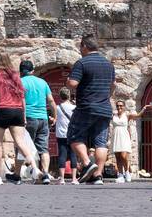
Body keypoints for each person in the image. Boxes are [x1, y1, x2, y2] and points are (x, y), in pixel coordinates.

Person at [65, 34, 118, 185]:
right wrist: (107, 96)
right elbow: (113, 85)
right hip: (105, 108)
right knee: (101, 142)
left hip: (86, 106)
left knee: (74, 136)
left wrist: (67, 82)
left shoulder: (82, 63)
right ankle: (98, 176)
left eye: (80, 47)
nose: (80, 50)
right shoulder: (109, 64)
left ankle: (88, 163)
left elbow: (73, 83)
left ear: (85, 47)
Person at [0, 51, 40, 186]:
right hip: (17, 111)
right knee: (21, 142)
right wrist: (23, 115)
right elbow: (22, 97)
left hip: (3, 110)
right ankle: (35, 167)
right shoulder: (15, 75)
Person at [18, 60, 57, 185]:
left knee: (24, 147)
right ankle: (45, 173)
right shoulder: (42, 82)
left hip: (28, 117)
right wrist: (54, 116)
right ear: (33, 71)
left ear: (20, 71)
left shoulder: (20, 82)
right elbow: (51, 101)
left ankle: (26, 173)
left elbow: (20, 101)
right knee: (43, 148)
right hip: (43, 118)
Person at [110, 98, 140, 182]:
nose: (119, 107)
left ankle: (127, 172)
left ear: (124, 107)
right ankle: (120, 175)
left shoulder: (127, 115)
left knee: (123, 156)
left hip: (124, 136)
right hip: (116, 135)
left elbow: (138, 115)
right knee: (118, 157)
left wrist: (145, 108)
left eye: (121, 106)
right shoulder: (113, 115)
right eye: (117, 106)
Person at [54, 89, 77, 182]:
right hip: (72, 133)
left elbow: (54, 118)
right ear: (69, 96)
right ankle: (74, 178)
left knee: (62, 155)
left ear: (60, 96)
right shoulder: (74, 107)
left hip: (61, 133)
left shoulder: (57, 107)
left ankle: (62, 178)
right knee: (73, 155)